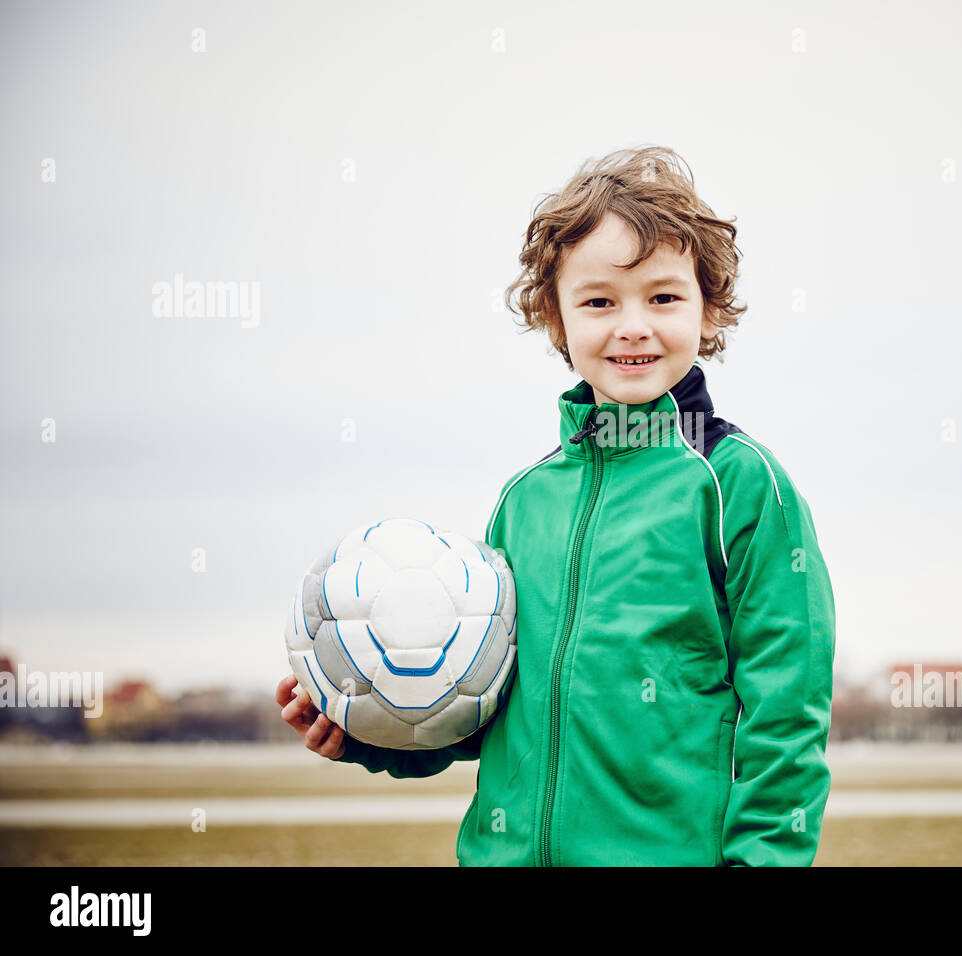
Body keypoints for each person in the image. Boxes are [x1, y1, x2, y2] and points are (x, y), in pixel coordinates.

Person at [278, 145, 835, 866]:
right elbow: (485, 710)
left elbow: (786, 717)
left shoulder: (740, 485)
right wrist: (365, 733)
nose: (633, 325)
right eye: (599, 300)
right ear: (555, 316)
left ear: (707, 310)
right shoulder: (524, 501)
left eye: (663, 297)